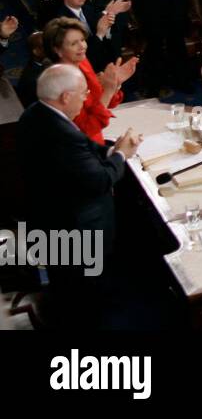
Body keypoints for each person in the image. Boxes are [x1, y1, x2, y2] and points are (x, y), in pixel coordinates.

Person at [18, 64, 142, 329]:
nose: (86, 98)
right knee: (83, 300)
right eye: (84, 93)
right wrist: (122, 155)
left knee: (69, 288)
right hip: (75, 230)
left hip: (51, 222)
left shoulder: (35, 114)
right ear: (65, 97)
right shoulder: (60, 133)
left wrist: (111, 150)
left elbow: (82, 151)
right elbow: (99, 180)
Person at [44, 17, 137, 144]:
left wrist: (115, 84)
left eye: (82, 40)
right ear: (58, 50)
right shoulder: (61, 84)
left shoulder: (81, 61)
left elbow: (100, 101)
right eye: (73, 44)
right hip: (81, 147)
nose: (82, 46)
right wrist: (109, 91)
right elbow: (87, 130)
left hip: (98, 137)